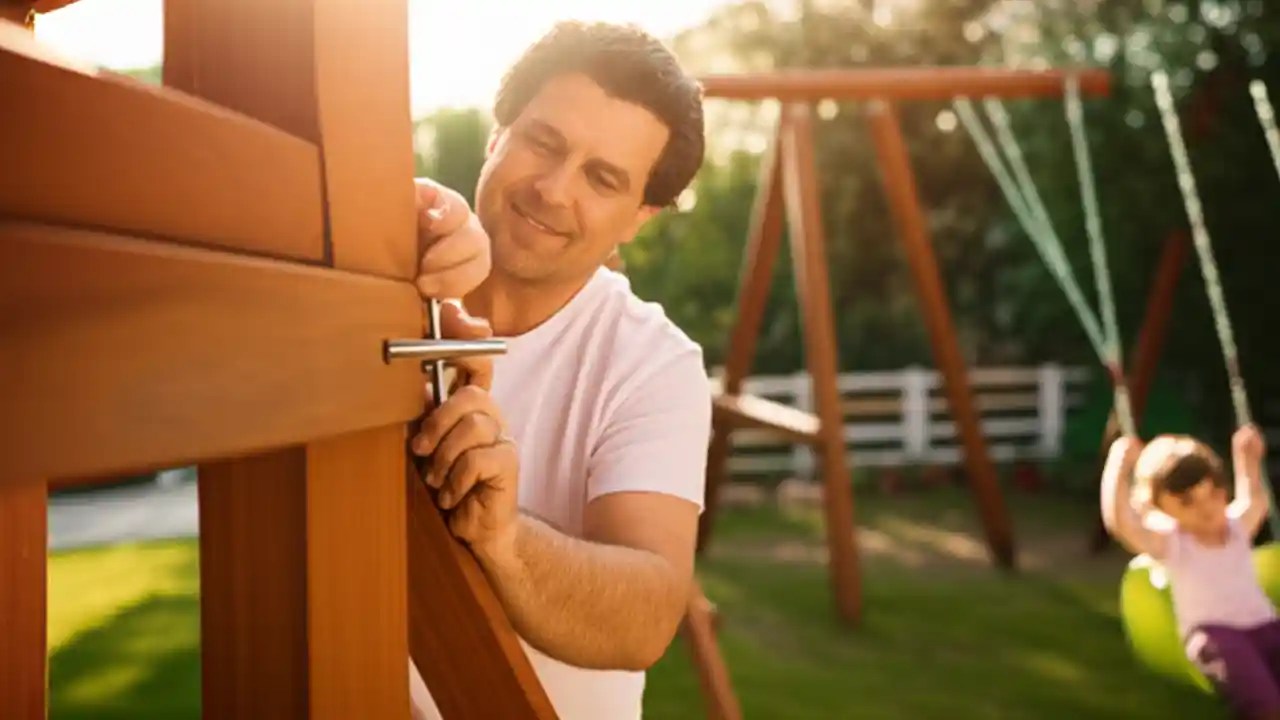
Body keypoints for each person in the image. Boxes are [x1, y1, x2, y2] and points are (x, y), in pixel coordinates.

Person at [407, 20, 709, 720]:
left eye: (602, 178)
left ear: (639, 216)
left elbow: (646, 616)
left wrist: (504, 538)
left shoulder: (653, 363)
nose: (552, 189)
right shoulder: (390, 274)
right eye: (543, 142)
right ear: (498, 135)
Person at [1101, 424, 1275, 719]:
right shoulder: (1174, 543)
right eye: (1187, 502)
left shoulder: (1236, 526)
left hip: (1264, 624)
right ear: (1160, 509)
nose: (1207, 508)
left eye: (1214, 493)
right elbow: (1122, 524)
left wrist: (1246, 457)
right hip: (1216, 635)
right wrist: (1118, 467)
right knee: (1264, 700)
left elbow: (1256, 500)